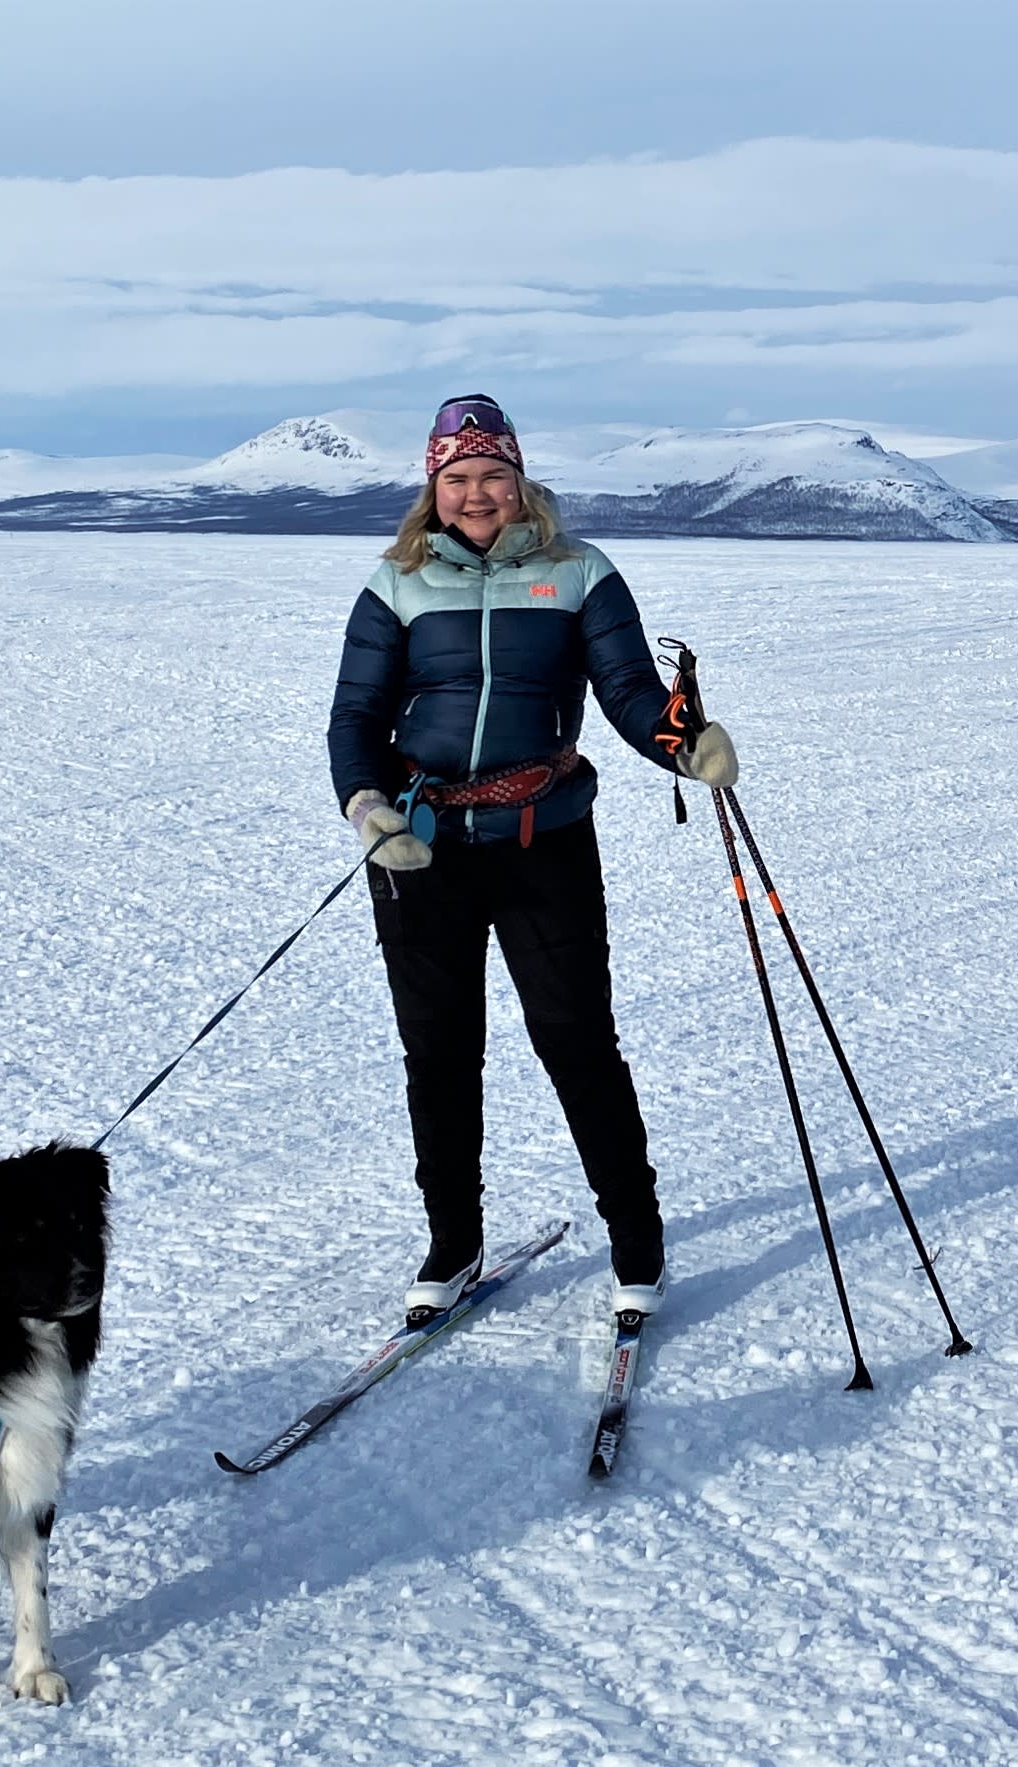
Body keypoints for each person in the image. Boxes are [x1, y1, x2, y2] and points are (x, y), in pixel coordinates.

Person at [325, 394, 738, 1326]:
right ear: (433, 490)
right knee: (438, 1053)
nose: (478, 494)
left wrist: (680, 744)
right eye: (459, 479)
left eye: (494, 477)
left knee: (578, 1041)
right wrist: (369, 805)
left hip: (542, 839)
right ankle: (454, 1242)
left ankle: (638, 1241)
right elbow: (355, 716)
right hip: (419, 848)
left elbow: (630, 688)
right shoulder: (396, 584)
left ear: (522, 483)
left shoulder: (579, 573)